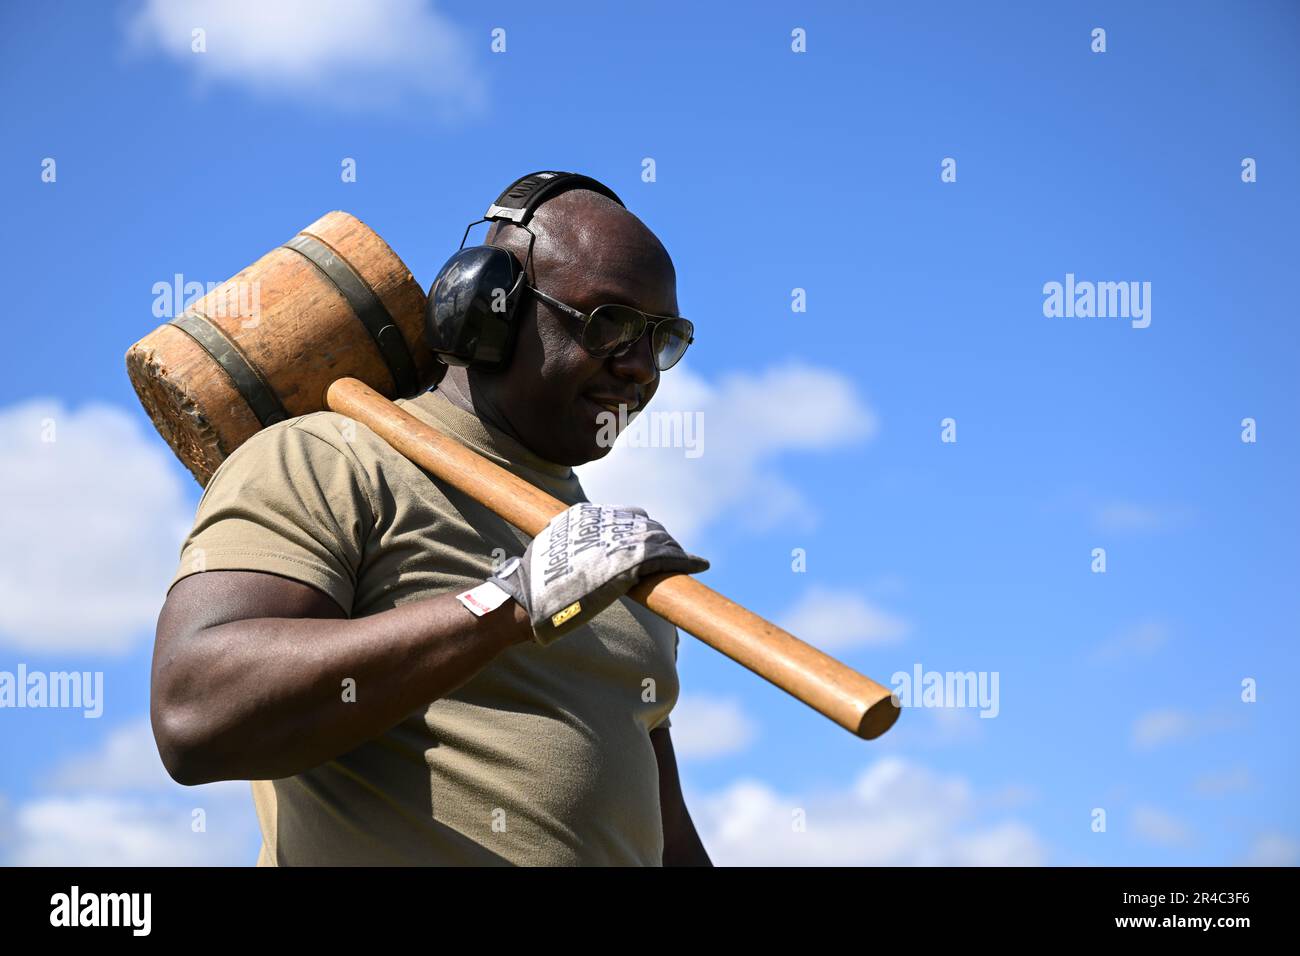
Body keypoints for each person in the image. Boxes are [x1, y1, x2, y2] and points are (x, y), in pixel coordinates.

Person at [150, 172, 713, 866]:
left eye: (661, 340)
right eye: (610, 324)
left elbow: (660, 833)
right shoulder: (330, 460)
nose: (638, 369)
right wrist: (509, 603)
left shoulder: (606, 559)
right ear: (490, 308)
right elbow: (193, 712)